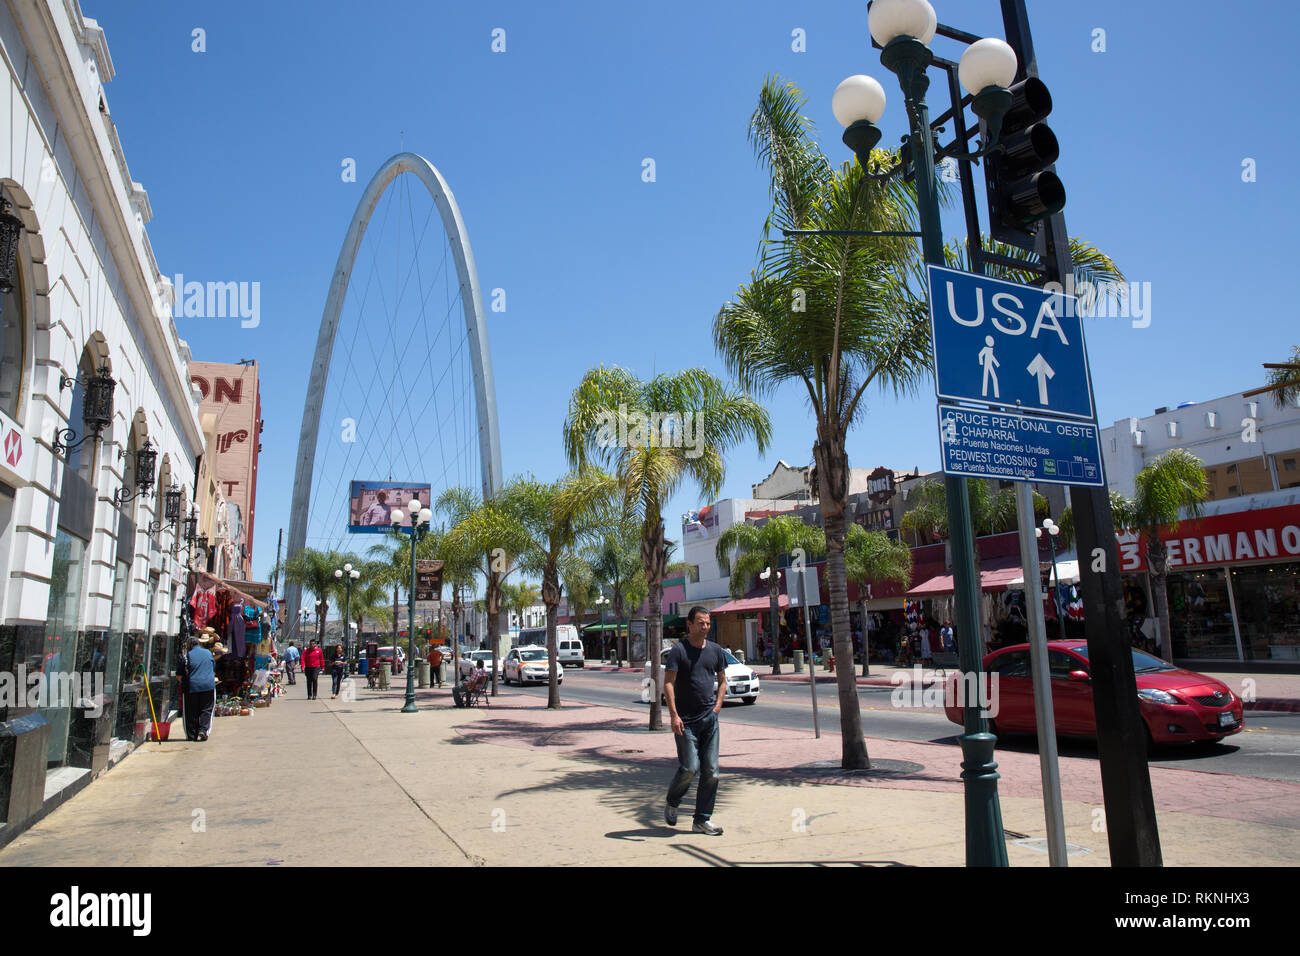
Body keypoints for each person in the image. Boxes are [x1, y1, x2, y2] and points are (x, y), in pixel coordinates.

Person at [663, 606, 727, 836]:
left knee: (712, 771)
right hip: (685, 722)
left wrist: (718, 706)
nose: (706, 627)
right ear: (689, 624)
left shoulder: (716, 650)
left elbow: (722, 680)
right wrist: (673, 715)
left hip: (710, 720)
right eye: (701, 622)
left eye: (708, 623)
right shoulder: (679, 651)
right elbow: (668, 683)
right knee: (690, 767)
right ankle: (673, 800)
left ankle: (701, 819)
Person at [183, 637, 216, 742]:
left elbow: (181, 674)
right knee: (206, 709)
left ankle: (192, 735)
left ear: (188, 646)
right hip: (208, 685)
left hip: (193, 686)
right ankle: (203, 730)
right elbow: (212, 667)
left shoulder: (187, 656)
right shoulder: (208, 653)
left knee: (192, 711)